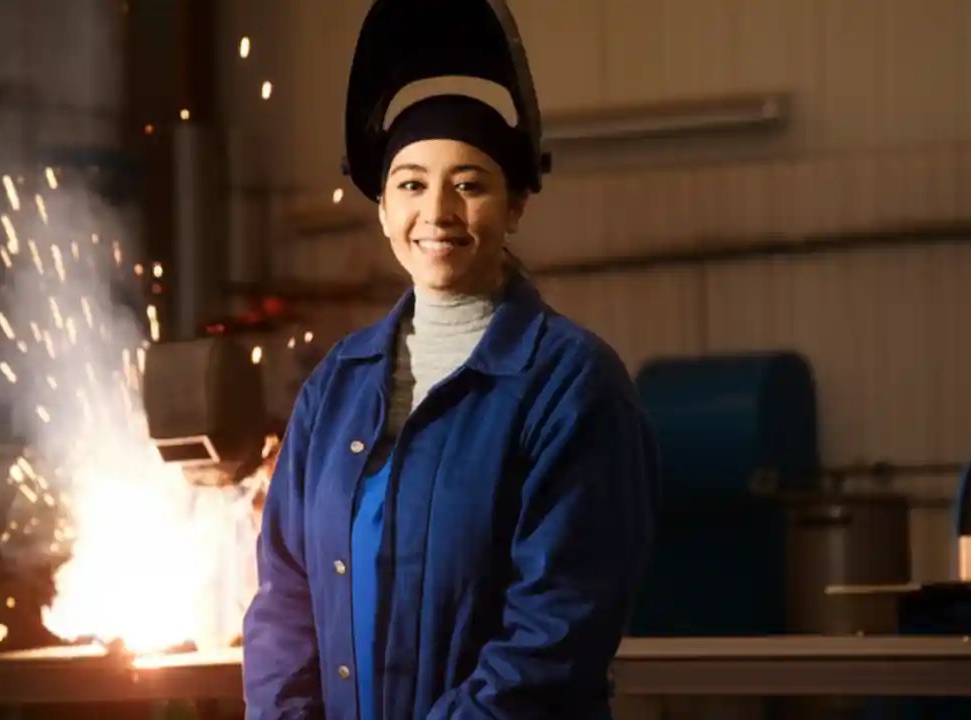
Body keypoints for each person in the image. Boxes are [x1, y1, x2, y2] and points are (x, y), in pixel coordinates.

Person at [242, 2, 659, 718]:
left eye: (469, 183)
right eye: (410, 183)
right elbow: (285, 601)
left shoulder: (570, 385)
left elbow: (554, 633)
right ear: (381, 208)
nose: (436, 211)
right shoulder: (335, 387)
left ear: (516, 204)